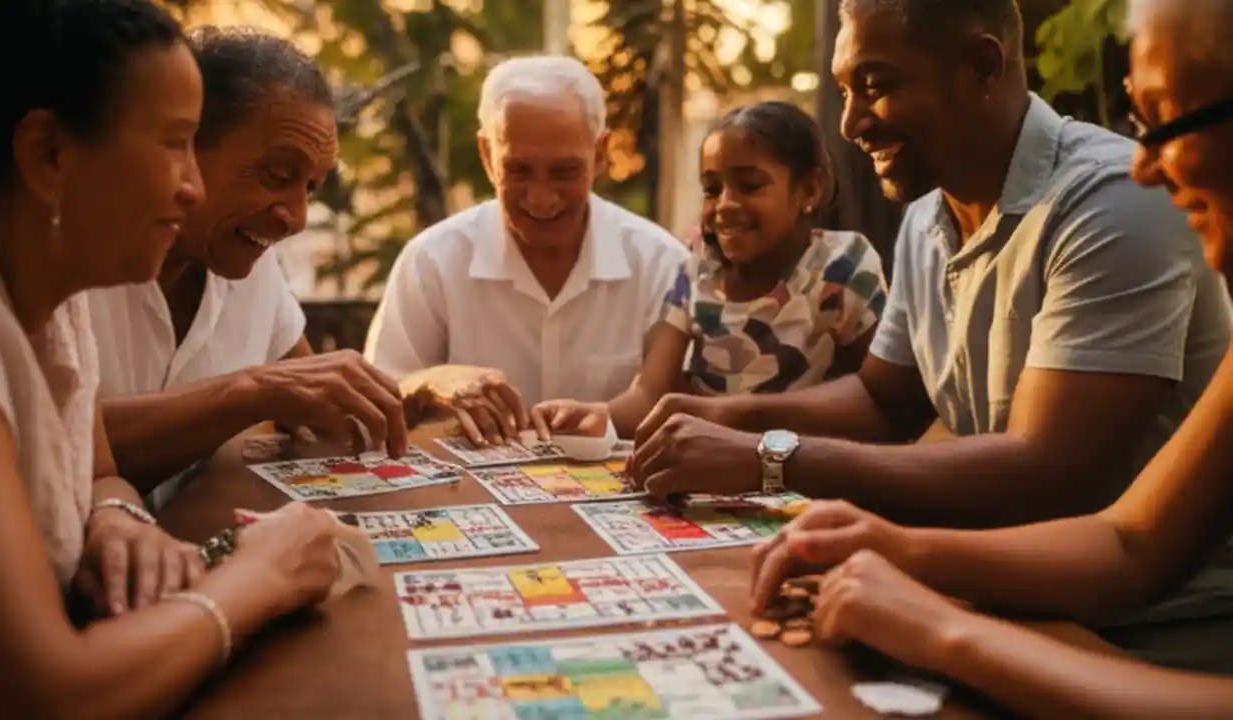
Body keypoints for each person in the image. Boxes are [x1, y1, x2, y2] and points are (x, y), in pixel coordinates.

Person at [629, 0, 1233, 670]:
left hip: (1159, 629)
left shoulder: (1114, 199)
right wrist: (727, 416)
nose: (851, 123)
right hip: (1009, 591)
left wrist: (773, 455)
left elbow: (1050, 473)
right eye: (843, 91)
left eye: (876, 86)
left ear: (980, 66)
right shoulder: (925, 219)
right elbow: (886, 401)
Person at [0, 2, 344, 715]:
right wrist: (263, 576)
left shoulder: (57, 298)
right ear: (48, 154)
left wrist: (115, 520)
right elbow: (43, 695)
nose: (190, 185)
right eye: (175, 145)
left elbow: (99, 470)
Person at [86, 28, 408, 503]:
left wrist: (412, 396)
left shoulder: (250, 259)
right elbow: (50, 443)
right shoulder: (63, 259)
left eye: (311, 188)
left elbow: (313, 393)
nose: (296, 218)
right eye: (277, 176)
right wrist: (247, 391)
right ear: (184, 147)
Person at [363, 55, 688, 447]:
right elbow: (377, 399)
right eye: (518, 171)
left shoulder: (661, 265)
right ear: (487, 156)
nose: (541, 198)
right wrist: (434, 384)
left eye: (565, 172)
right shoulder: (432, 261)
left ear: (601, 154)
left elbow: (676, 410)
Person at [531, 102, 887, 440]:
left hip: (803, 471)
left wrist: (737, 420)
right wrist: (598, 416)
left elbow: (876, 399)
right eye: (712, 189)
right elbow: (649, 394)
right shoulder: (699, 269)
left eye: (750, 186)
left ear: (809, 189)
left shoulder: (840, 266)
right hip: (710, 469)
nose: (726, 205)